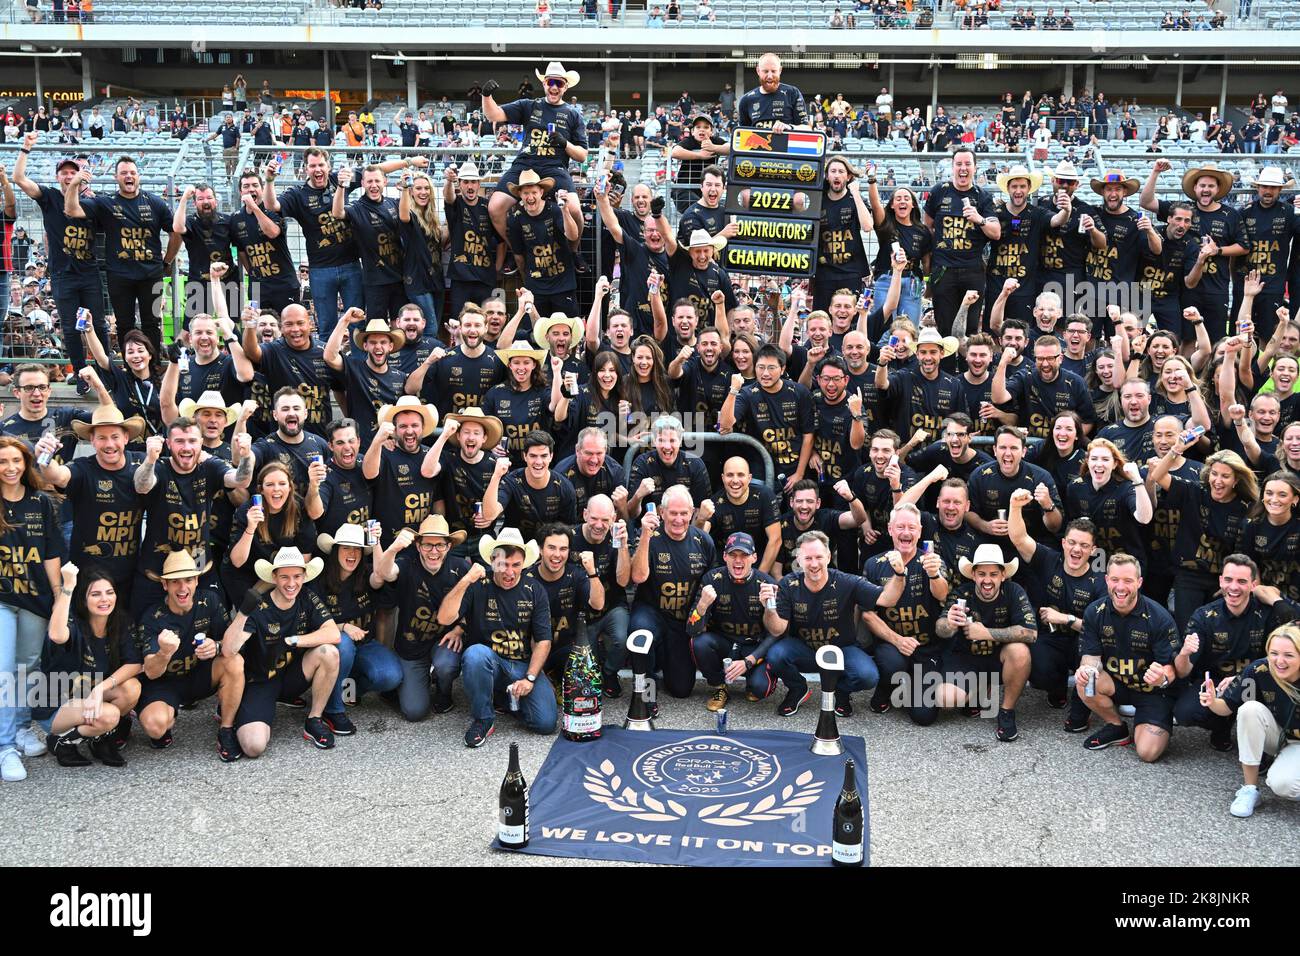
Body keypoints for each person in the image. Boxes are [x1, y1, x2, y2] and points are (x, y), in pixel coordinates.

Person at [437, 528, 556, 748]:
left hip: (521, 665)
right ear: (493, 562)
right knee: (475, 654)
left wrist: (529, 679)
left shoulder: (534, 589)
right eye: (503, 564)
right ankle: (484, 718)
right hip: (489, 661)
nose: (509, 572)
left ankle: (502, 696)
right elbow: (444, 618)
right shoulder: (478, 585)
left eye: (516, 565)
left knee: (546, 723)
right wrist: (465, 580)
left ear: (524, 564)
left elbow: (543, 641)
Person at [767, 530, 905, 716]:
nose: (814, 564)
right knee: (776, 655)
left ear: (829, 556)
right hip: (806, 650)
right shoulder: (788, 584)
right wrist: (768, 608)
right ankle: (797, 689)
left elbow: (887, 599)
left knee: (867, 676)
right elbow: (777, 630)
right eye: (808, 558)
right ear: (798, 560)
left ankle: (841, 691)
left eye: (819, 557)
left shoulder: (846, 581)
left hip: (841, 650)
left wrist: (899, 573)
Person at [223, 546, 341, 755]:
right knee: (254, 746)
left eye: (297, 576)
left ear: (304, 577)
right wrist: (242, 613)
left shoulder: (307, 597)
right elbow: (229, 650)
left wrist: (295, 640)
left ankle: (314, 719)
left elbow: (334, 634)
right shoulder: (260, 606)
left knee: (329, 652)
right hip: (261, 681)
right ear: (274, 578)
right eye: (284, 577)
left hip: (291, 676)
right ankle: (239, 708)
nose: (292, 583)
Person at [132, 418, 254, 613]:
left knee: (216, 625)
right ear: (168, 443)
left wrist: (247, 455)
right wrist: (150, 459)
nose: (186, 447)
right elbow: (141, 485)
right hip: (157, 570)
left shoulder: (210, 466)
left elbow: (240, 480)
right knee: (146, 628)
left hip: (200, 566)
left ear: (201, 443)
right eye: (180, 441)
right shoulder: (160, 467)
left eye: (192, 441)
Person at [31, 563, 142, 774]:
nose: (104, 599)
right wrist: (68, 587)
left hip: (87, 695)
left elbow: (135, 664)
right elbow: (56, 634)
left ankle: (98, 738)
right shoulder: (73, 621)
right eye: (96, 594)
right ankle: (60, 741)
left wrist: (99, 690)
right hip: (56, 705)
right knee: (110, 715)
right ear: (83, 598)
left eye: (110, 593)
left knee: (131, 688)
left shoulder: (120, 620)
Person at [0, 436, 66, 781]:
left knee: (28, 667)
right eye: (2, 462)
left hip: (36, 597)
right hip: (3, 599)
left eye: (16, 461)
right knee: (3, 671)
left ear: (26, 464)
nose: (10, 468)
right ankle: (5, 746)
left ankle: (24, 727)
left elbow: (52, 552)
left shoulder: (41, 503)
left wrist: (58, 596)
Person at [12, 134, 107, 373]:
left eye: (72, 172)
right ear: (58, 177)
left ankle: (106, 373)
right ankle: (81, 374)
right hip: (63, 275)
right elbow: (19, 179)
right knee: (70, 327)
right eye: (64, 172)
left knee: (98, 325)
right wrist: (25, 148)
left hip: (89, 272)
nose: (68, 175)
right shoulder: (50, 197)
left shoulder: (93, 202)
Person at [136, 550, 244, 760]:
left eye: (188, 580)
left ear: (196, 581)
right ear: (164, 585)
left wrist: (217, 646)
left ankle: (227, 729)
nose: (183, 588)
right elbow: (150, 672)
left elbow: (234, 643)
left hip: (200, 674)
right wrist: (164, 653)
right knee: (155, 726)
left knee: (235, 661)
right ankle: (166, 720)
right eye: (175, 582)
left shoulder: (210, 600)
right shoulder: (152, 616)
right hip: (165, 683)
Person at [63, 156, 175, 352]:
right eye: (124, 173)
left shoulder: (155, 203)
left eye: (132, 172)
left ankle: (153, 369)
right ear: (116, 177)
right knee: (124, 325)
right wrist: (75, 183)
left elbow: (176, 233)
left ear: (138, 176)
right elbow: (71, 210)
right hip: (119, 276)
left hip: (151, 275)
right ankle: (130, 370)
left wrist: (168, 261)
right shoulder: (106, 203)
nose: (129, 176)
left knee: (152, 324)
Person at [1077, 553, 1180, 761]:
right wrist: (1086, 669)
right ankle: (1116, 726)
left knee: (1147, 753)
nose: (1120, 587)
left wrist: (1163, 678)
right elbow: (1091, 656)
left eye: (1128, 581)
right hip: (1118, 683)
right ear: (1106, 580)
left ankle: (1155, 719)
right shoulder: (1094, 612)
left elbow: (1171, 667)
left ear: (1139, 583)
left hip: (1152, 691)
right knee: (1086, 681)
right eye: (1115, 580)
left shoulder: (1159, 617)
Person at [34, 406, 146, 595]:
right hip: (87, 577)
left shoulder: (142, 464)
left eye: (115, 437)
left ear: (126, 438)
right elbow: (58, 476)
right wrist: (44, 457)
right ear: (92, 440)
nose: (109, 444)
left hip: (130, 574)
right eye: (102, 437)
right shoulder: (83, 468)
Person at [481, 62, 588, 256]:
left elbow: (582, 155)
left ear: (565, 87)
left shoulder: (573, 115)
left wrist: (564, 143)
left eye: (559, 83)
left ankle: (574, 252)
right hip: (525, 165)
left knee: (575, 211)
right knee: (495, 207)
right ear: (545, 84)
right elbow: (493, 114)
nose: (554, 87)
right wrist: (486, 96)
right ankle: (517, 251)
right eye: (550, 82)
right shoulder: (529, 105)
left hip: (555, 167)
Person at [1147, 443, 1257, 632]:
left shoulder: (1245, 508)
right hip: (1188, 578)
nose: (1218, 481)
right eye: (1214, 474)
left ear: (1236, 480)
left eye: (1225, 476)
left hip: (1221, 582)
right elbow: (1157, 475)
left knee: (1217, 633)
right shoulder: (1194, 491)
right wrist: (1175, 451)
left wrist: (1229, 584)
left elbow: (1243, 553)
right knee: (1188, 633)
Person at [935, 543, 1037, 742]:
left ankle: (1006, 711)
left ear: (1003, 575)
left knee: (1020, 651)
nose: (987, 580)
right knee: (944, 699)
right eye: (981, 574)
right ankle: (981, 687)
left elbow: (1031, 633)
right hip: (966, 659)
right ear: (973, 575)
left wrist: (986, 633)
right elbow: (940, 629)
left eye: (993, 574)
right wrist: (949, 623)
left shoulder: (1014, 591)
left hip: (999, 659)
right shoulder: (960, 594)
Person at [373, 516, 469, 720]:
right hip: (412, 646)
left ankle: (444, 691)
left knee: (446, 665)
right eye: (427, 545)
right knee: (414, 712)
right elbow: (383, 573)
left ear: (449, 546)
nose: (434, 551)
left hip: (444, 641)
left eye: (440, 545)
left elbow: (475, 604)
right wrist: (392, 549)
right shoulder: (407, 564)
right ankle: (417, 681)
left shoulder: (460, 568)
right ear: (418, 546)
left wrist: (460, 629)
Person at [862, 504, 951, 724]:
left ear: (920, 531)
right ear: (890, 529)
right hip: (892, 646)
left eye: (912, 527)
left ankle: (907, 688)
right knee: (892, 665)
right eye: (900, 526)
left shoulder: (932, 561)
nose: (906, 533)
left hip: (926, 646)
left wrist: (934, 575)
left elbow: (942, 595)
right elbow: (867, 615)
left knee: (924, 717)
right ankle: (887, 685)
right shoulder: (874, 564)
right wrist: (898, 640)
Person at [1199, 624, 1300, 817]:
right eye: (1274, 653)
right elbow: (1227, 707)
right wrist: (1211, 701)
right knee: (1249, 709)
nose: (1279, 661)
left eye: (1289, 655)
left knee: (1283, 785)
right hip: (1280, 736)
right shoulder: (1259, 669)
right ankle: (1249, 789)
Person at [628, 484, 716, 701]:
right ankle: (645, 697)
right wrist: (646, 537)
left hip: (682, 620)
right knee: (641, 635)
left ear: (692, 512)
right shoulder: (649, 535)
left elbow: (712, 586)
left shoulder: (703, 541)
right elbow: (637, 577)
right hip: (652, 612)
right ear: (661, 512)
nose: (678, 519)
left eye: (684, 513)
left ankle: (662, 660)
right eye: (673, 513)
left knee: (681, 689)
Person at [688, 532, 781, 712]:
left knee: (760, 690)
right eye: (732, 555)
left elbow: (777, 634)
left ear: (754, 557)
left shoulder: (766, 584)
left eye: (744, 555)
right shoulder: (711, 580)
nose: (738, 560)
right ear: (724, 556)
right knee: (698, 643)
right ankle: (719, 686)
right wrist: (701, 607)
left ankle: (751, 680)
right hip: (724, 645)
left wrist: (749, 661)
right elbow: (691, 630)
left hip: (754, 647)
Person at [924, 147, 1001, 337]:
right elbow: (928, 225)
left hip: (972, 271)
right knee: (945, 328)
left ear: (975, 168)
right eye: (959, 164)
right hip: (944, 271)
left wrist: (979, 219)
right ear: (952, 167)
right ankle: (947, 367)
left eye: (968, 164)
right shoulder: (939, 192)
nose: (963, 168)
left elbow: (996, 233)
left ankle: (970, 366)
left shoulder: (983, 196)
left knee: (971, 328)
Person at [241, 303, 343, 436]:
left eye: (300, 323)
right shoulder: (274, 350)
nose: (295, 329)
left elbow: (340, 389)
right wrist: (250, 326)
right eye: (289, 324)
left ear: (310, 325)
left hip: (320, 439)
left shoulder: (325, 352)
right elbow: (251, 352)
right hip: (282, 441)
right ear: (282, 328)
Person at [329, 163, 412, 323]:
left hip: (400, 277)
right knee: (376, 326)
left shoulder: (393, 203)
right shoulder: (357, 207)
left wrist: (406, 188)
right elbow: (337, 213)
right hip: (375, 281)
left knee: (399, 325)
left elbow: (407, 217)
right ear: (362, 184)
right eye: (369, 182)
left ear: (385, 182)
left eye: (377, 181)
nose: (373, 186)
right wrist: (341, 186)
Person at [361, 397, 441, 547]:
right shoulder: (384, 451)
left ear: (423, 427)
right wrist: (378, 440)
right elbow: (368, 473)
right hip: (388, 544)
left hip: (423, 546)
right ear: (395, 429)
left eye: (415, 425)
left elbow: (438, 498)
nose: (409, 431)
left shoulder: (431, 454)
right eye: (403, 426)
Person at [572, 493, 631, 694]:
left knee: (621, 639)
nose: (599, 525)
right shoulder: (571, 538)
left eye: (605, 520)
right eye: (594, 518)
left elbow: (623, 581)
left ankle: (610, 673)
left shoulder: (616, 539)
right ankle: (597, 672)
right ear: (585, 514)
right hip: (582, 610)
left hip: (612, 606)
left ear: (613, 518)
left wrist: (623, 546)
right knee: (588, 664)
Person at [504, 170, 581, 316]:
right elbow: (519, 256)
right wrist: (528, 281)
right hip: (535, 288)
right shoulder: (515, 219)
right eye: (526, 193)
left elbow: (573, 235)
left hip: (563, 285)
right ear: (520, 194)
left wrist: (565, 210)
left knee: (567, 332)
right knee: (535, 333)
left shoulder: (555, 210)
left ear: (541, 192)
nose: (530, 197)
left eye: (534, 192)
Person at [483, 429, 577, 543]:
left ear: (551, 456)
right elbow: (489, 515)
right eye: (533, 456)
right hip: (515, 546)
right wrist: (496, 476)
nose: (538, 461)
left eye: (543, 456)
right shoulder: (512, 481)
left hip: (547, 548)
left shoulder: (565, 487)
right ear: (525, 456)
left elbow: (568, 530)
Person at [229, 168, 301, 316]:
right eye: (246, 186)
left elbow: (272, 232)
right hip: (257, 287)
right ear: (240, 192)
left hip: (283, 283)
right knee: (259, 327)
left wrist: (254, 208)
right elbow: (242, 251)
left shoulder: (273, 210)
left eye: (255, 185)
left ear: (262, 189)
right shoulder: (236, 219)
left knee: (288, 326)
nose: (251, 189)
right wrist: (253, 273)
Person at [442, 162, 499, 317]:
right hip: (461, 279)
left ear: (479, 184)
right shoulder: (456, 203)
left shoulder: (488, 206)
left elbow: (501, 239)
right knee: (458, 322)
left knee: (485, 323)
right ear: (459, 184)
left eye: (473, 181)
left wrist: (498, 267)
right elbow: (448, 197)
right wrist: (448, 181)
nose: (470, 186)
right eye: (465, 182)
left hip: (485, 278)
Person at [397, 170, 445, 333]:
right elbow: (403, 216)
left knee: (434, 327)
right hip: (417, 281)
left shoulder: (431, 216)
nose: (423, 192)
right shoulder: (409, 213)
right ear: (411, 191)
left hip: (435, 279)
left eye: (426, 188)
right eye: (418, 188)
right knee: (429, 328)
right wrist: (404, 187)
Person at [737, 52, 809, 131]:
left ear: (780, 70)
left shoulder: (792, 93)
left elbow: (807, 128)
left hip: (787, 143)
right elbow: (741, 134)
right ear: (758, 71)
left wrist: (789, 127)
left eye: (773, 71)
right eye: (765, 71)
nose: (770, 76)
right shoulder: (746, 100)